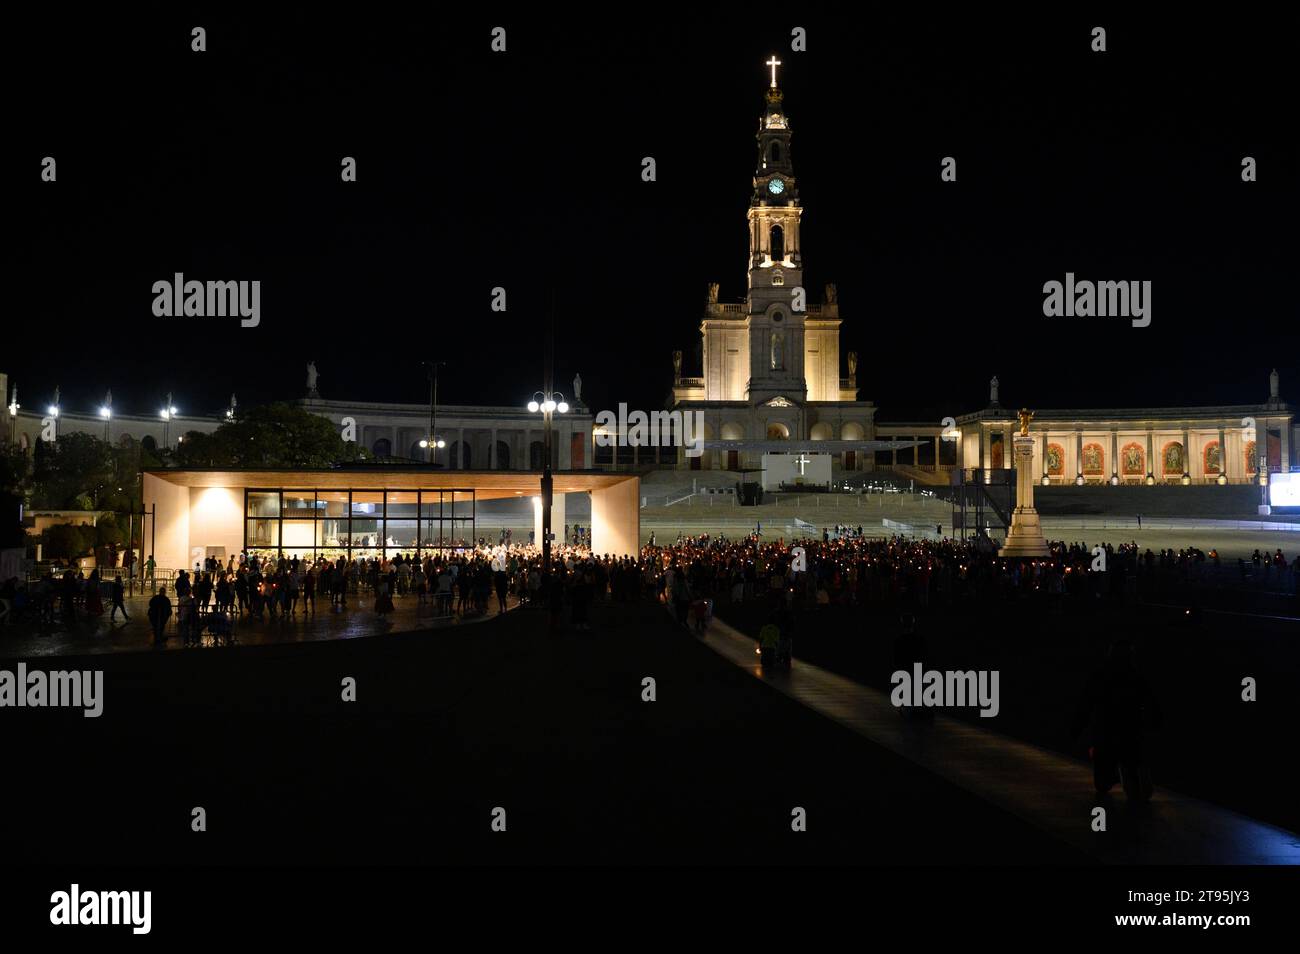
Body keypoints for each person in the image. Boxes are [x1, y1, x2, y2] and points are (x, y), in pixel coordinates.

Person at [1071, 639, 1161, 801]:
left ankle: (1119, 778)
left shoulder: (1101, 676)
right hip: (1128, 728)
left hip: (1107, 729)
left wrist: (1078, 728)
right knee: (1130, 761)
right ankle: (1130, 782)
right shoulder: (1135, 677)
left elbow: (1086, 703)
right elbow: (1150, 702)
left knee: (1104, 780)